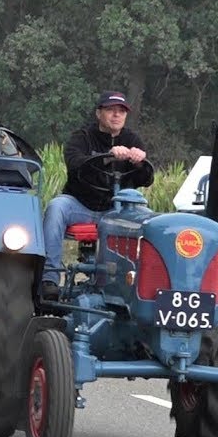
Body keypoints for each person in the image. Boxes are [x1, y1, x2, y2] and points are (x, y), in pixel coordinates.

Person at [40, 91, 154, 300]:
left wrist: (139, 163)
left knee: (149, 222)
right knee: (56, 207)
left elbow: (146, 180)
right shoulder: (82, 137)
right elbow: (75, 165)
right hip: (80, 205)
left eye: (121, 111)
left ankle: (139, 286)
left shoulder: (132, 139)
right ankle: (50, 278)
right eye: (111, 110)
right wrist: (107, 157)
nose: (116, 115)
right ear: (98, 113)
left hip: (115, 210)